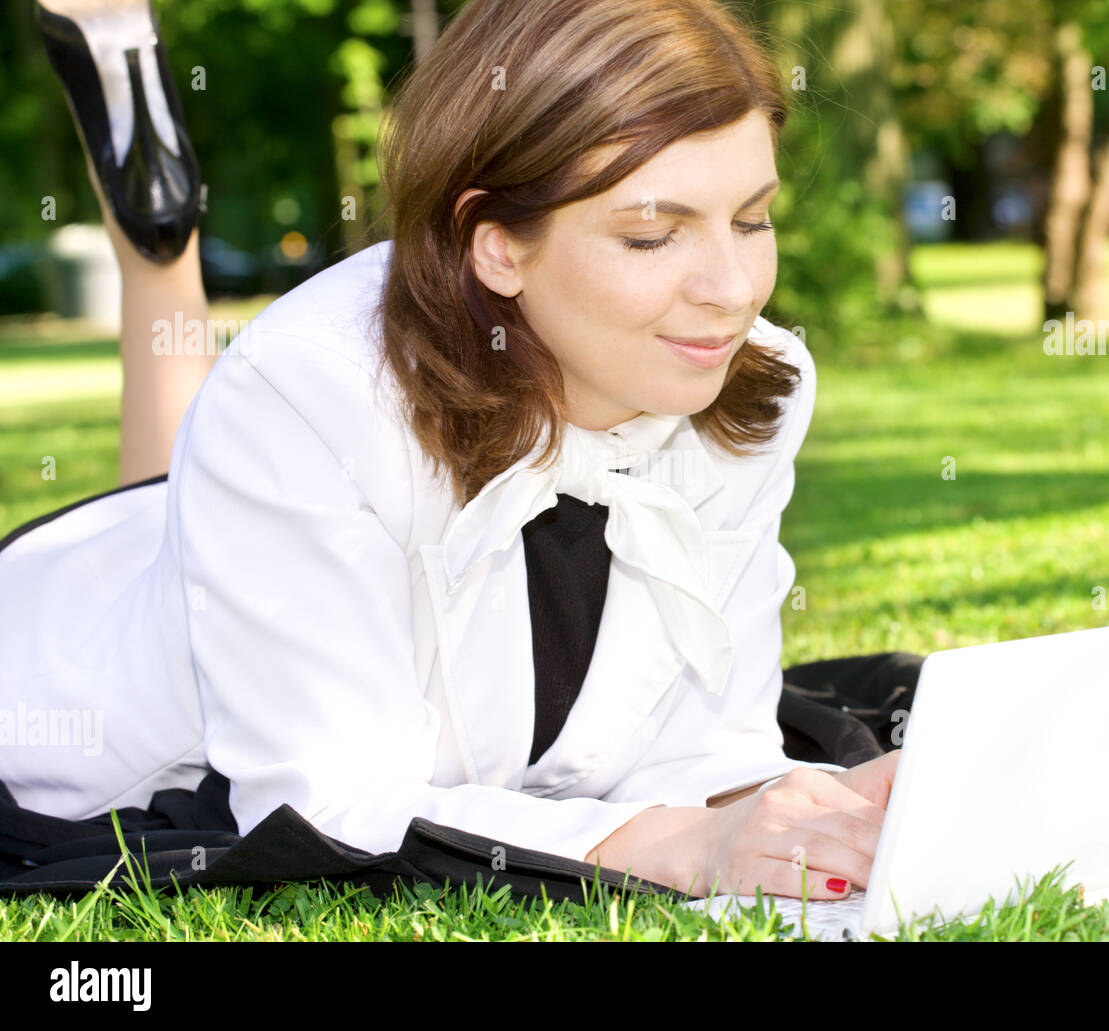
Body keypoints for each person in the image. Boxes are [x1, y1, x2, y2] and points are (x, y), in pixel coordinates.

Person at [3, 0, 925, 902]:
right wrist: (687, 843)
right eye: (652, 234)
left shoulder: (754, 381)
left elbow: (708, 745)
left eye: (753, 219)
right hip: (69, 680)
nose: (733, 289)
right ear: (496, 246)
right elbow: (330, 802)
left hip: (241, 512)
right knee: (202, 460)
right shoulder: (307, 392)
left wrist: (797, 809)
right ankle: (157, 225)